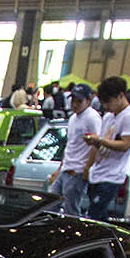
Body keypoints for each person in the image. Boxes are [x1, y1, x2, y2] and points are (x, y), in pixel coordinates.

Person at [83, 76, 130, 221]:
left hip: (112, 175)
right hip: (98, 172)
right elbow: (101, 142)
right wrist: (88, 165)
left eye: (108, 102)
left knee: (93, 215)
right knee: (99, 216)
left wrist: (100, 140)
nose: (106, 106)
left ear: (121, 96)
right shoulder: (108, 116)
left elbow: (125, 144)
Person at [50, 83, 100, 217]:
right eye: (73, 100)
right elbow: (70, 145)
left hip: (77, 171)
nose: (75, 104)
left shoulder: (92, 118)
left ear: (88, 101)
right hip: (66, 168)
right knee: (50, 203)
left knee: (71, 209)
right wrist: (59, 169)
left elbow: (97, 144)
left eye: (79, 101)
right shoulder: (73, 118)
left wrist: (86, 169)